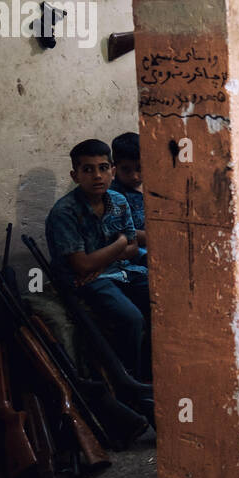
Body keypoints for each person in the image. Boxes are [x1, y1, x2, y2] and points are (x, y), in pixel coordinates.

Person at [45, 139, 152, 381]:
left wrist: (102, 260)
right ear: (75, 175)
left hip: (118, 270)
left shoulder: (118, 201)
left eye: (103, 168)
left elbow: (134, 249)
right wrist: (120, 243)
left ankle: (152, 374)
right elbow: (82, 266)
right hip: (84, 281)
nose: (97, 176)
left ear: (112, 171)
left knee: (160, 302)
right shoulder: (65, 212)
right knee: (131, 319)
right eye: (88, 169)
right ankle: (129, 381)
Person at [111, 132, 147, 265]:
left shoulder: (154, 184)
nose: (135, 176)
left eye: (140, 168)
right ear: (114, 168)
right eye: (126, 170)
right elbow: (120, 231)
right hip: (136, 253)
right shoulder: (114, 195)